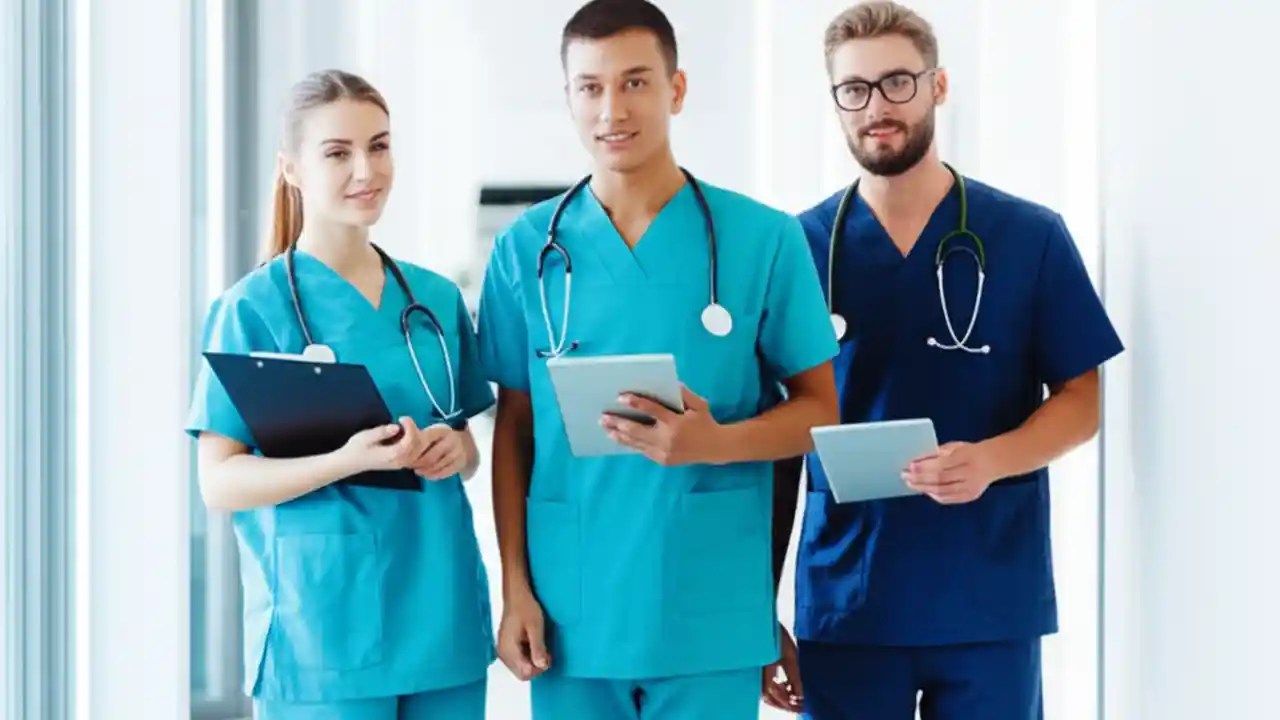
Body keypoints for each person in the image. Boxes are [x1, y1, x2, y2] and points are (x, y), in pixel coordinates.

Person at [474, 1, 840, 717]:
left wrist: (717, 441)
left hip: (707, 599)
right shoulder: (526, 249)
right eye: (591, 86)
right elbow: (515, 428)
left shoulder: (762, 239)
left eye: (636, 82)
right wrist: (513, 585)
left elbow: (820, 412)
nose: (612, 108)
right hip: (571, 606)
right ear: (569, 97)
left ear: (676, 89)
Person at [767, 3, 1126, 719]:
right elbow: (775, 442)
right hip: (849, 601)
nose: (877, 106)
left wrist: (994, 458)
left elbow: (1082, 399)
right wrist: (757, 606)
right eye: (855, 89)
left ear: (939, 86)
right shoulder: (796, 250)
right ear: (836, 102)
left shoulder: (1029, 237)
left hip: (988, 598)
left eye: (899, 82)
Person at [185, 70, 494, 720]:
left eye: (379, 146)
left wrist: (453, 448)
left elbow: (468, 448)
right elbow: (219, 483)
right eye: (338, 152)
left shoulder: (434, 300)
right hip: (320, 628)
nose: (366, 169)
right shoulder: (252, 310)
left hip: (442, 617)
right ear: (291, 168)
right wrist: (348, 460)